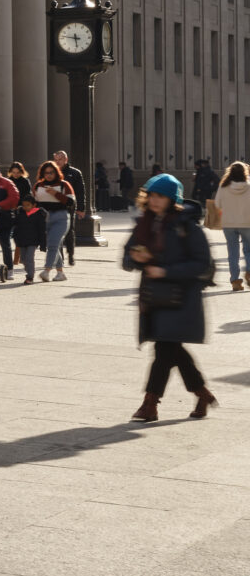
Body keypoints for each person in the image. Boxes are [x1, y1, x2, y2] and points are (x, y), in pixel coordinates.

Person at [124, 171, 218, 422]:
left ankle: (150, 404)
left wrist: (165, 270)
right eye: (152, 195)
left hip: (181, 298)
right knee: (172, 349)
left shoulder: (187, 226)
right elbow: (126, 256)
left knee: (164, 348)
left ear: (172, 199)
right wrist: (136, 256)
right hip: (154, 297)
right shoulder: (145, 222)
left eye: (161, 196)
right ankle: (202, 393)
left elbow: (201, 264)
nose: (155, 200)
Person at [33, 163, 75, 283]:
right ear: (42, 174)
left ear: (56, 173)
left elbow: (71, 202)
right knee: (53, 246)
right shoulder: (38, 186)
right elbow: (35, 204)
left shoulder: (64, 185)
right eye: (46, 172)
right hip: (45, 218)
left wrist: (55, 194)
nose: (49, 175)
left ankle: (46, 271)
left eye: (51, 172)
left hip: (61, 217)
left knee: (52, 245)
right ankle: (60, 273)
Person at [215, 160, 250, 291]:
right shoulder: (249, 185)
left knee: (233, 252)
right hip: (247, 222)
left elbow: (218, 204)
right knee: (248, 249)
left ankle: (235, 280)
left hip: (228, 223)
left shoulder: (223, 186)